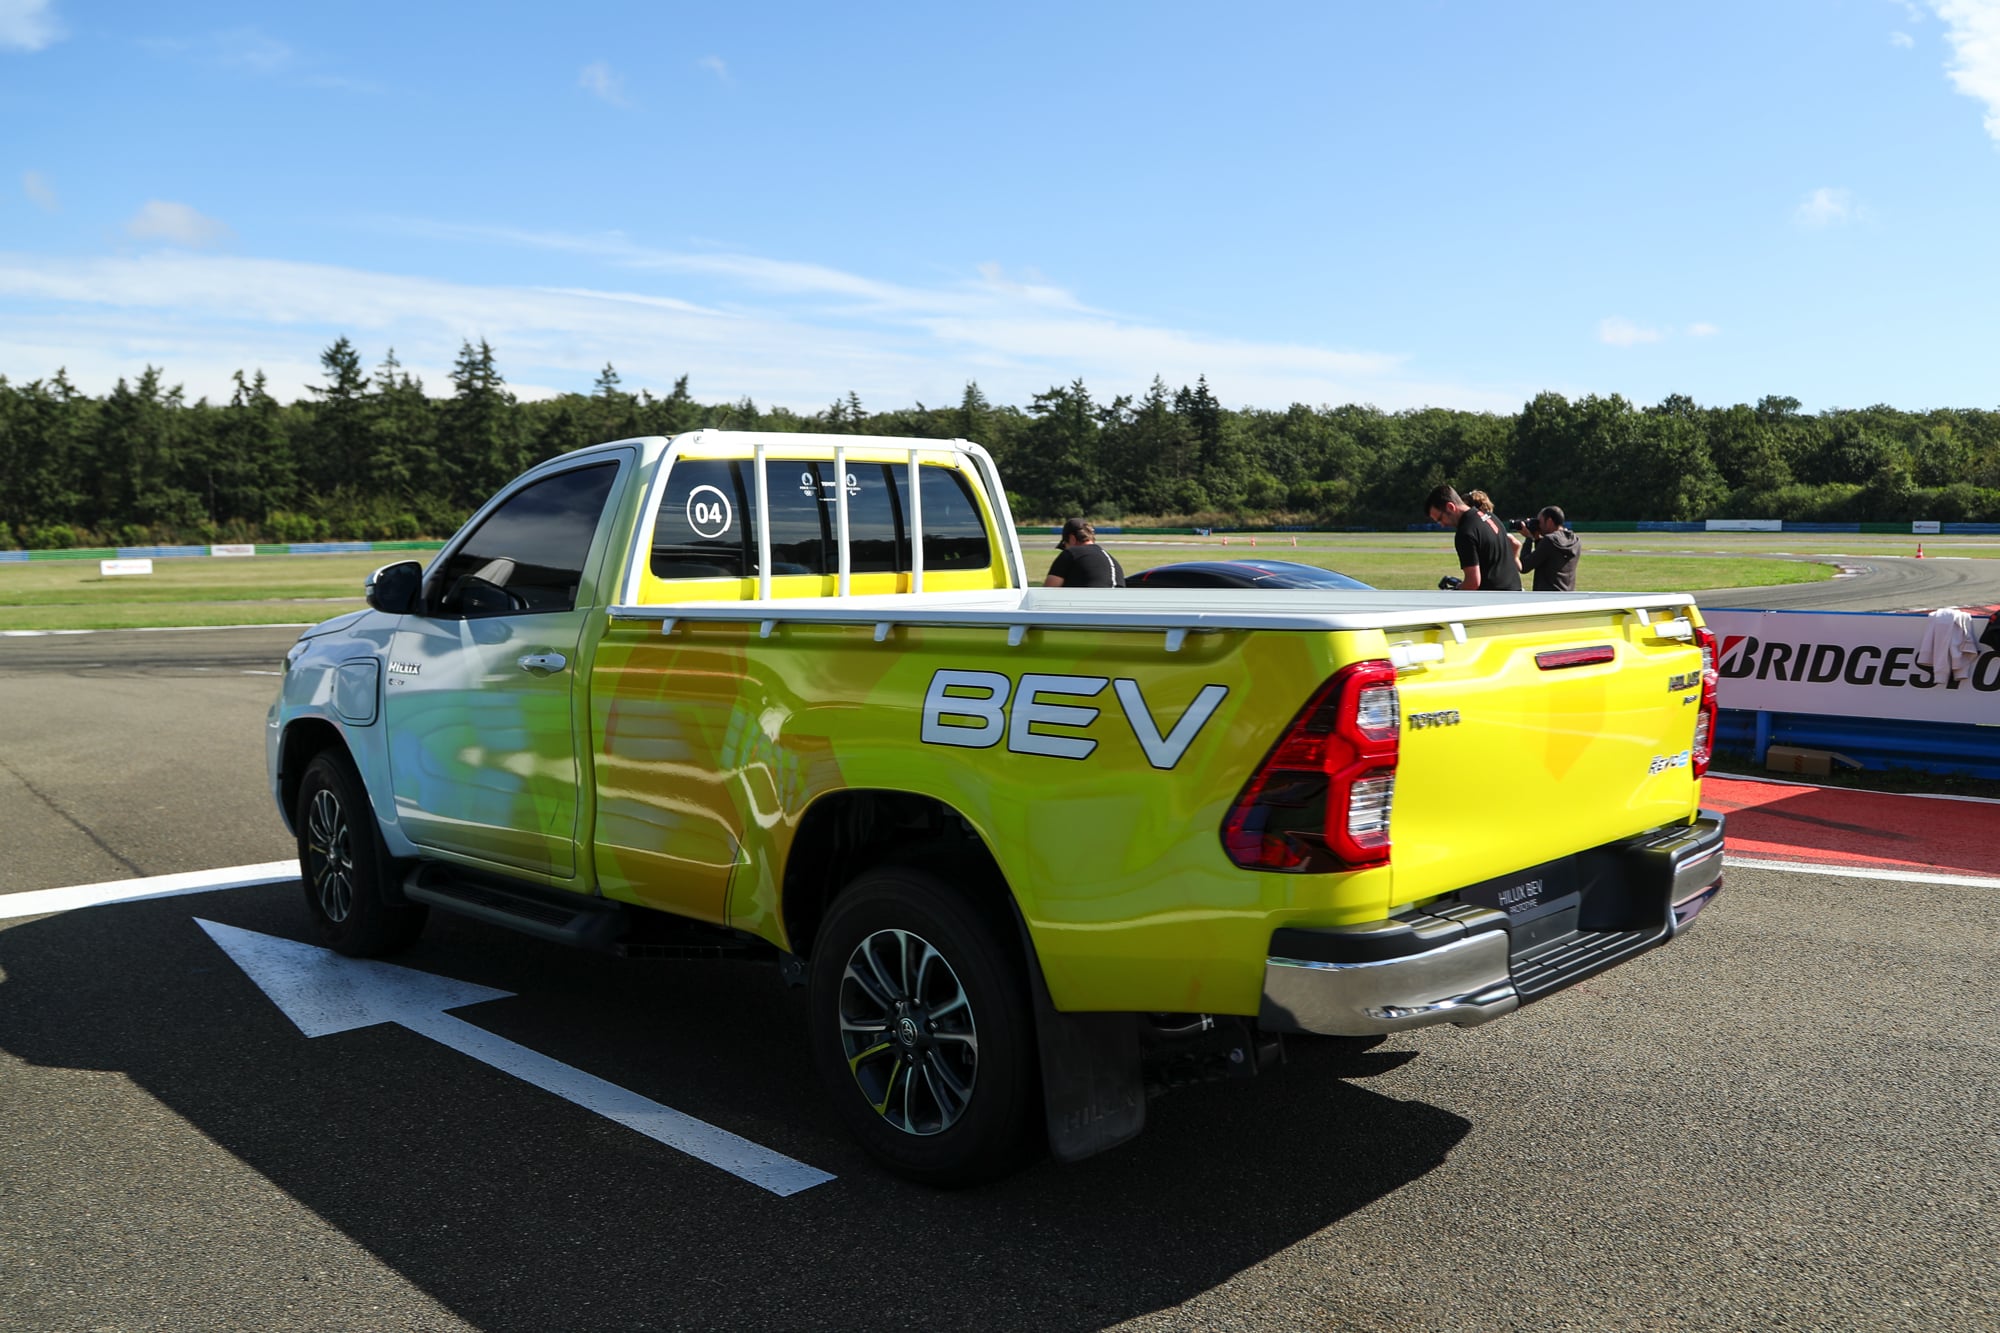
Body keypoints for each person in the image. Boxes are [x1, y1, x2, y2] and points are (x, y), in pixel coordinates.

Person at [1424, 484, 1521, 592]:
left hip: (1493, 598)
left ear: (1451, 507)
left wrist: (1455, 590)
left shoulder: (1465, 532)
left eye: (1440, 519)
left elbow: (1473, 582)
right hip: (1515, 592)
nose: (1442, 525)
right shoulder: (1490, 517)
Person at [1513, 505, 1580, 592]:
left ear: (1549, 521)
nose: (1538, 525)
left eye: (1539, 522)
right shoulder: (1575, 540)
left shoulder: (1549, 541)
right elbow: (1548, 558)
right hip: (1568, 595)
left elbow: (1524, 566)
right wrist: (1537, 539)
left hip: (1547, 596)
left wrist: (1529, 538)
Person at [1044, 518, 1126, 588]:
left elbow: (1048, 592)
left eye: (1065, 546)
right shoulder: (1109, 558)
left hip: (1089, 601)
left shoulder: (1071, 553)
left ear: (1072, 538)